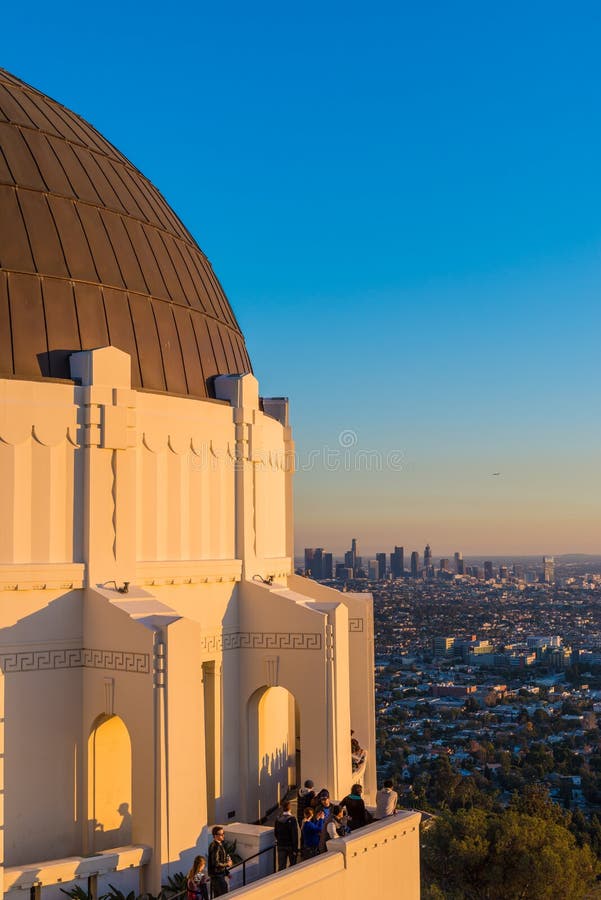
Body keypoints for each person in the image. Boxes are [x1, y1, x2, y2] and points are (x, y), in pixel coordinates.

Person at [274, 800, 299, 869]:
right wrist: (295, 849)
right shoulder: (292, 819)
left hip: (281, 845)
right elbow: (294, 835)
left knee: (281, 866)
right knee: (293, 866)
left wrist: (279, 841)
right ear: (290, 809)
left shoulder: (278, 819)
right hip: (290, 846)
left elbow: (275, 832)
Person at [208, 825, 232, 897]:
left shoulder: (218, 845)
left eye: (223, 833)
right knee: (223, 896)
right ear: (215, 836)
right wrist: (227, 864)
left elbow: (221, 860)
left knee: (219, 896)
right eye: (221, 834)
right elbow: (216, 863)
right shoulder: (216, 846)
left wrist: (227, 872)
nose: (223, 835)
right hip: (218, 877)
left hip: (218, 876)